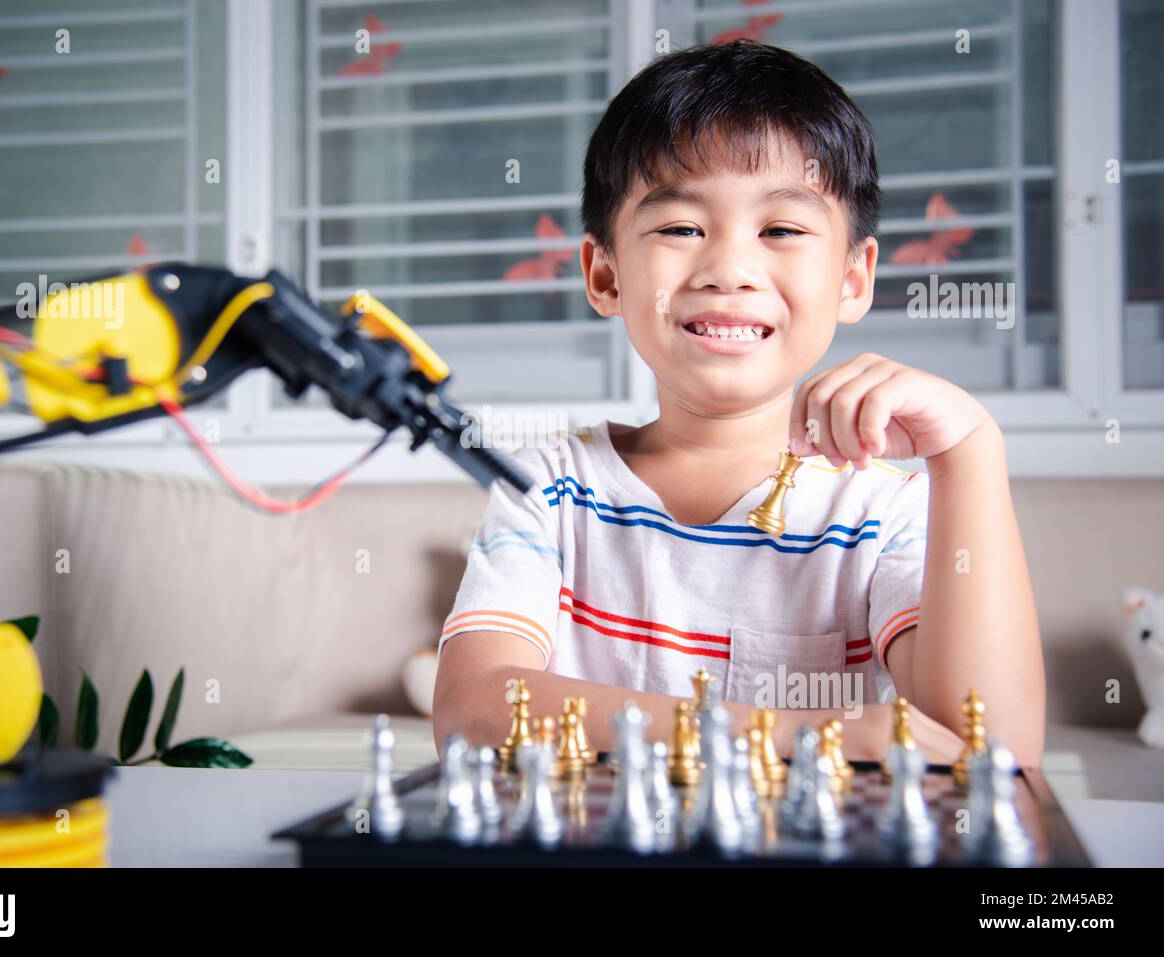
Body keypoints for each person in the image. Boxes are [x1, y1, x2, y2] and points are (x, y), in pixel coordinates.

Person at [433, 40, 1044, 766]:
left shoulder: (887, 515)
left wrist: (971, 449)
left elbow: (992, 751)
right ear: (604, 274)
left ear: (854, 278)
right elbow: (472, 709)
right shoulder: (546, 491)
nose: (729, 268)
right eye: (681, 228)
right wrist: (796, 736)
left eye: (781, 230)